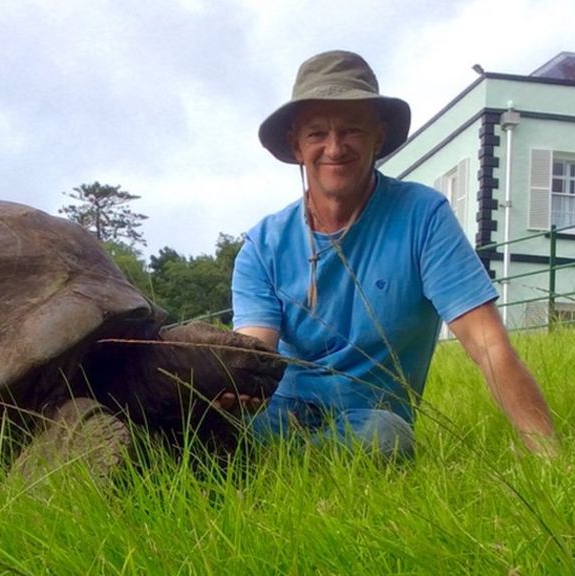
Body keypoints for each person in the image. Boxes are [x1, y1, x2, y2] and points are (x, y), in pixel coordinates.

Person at [228, 50, 558, 459]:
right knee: (209, 425)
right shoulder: (262, 244)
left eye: (351, 130)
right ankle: (281, 458)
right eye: (316, 134)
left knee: (386, 437)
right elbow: (254, 353)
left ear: (378, 137)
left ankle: (269, 463)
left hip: (371, 419)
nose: (334, 147)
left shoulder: (423, 216)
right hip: (280, 411)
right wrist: (224, 390)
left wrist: (547, 453)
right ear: (297, 145)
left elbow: (486, 341)